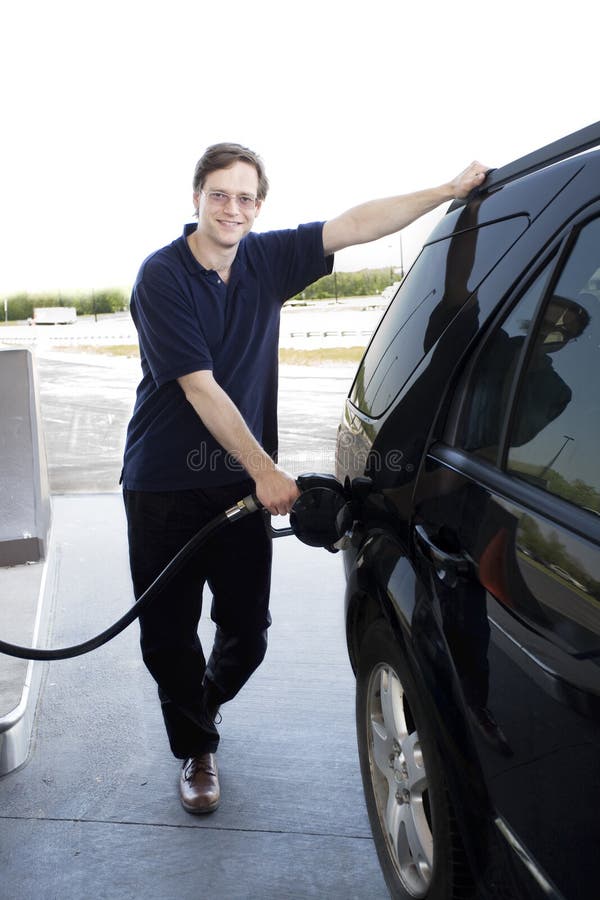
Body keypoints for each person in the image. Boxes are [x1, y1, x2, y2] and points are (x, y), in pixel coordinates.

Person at [121, 142, 488, 814]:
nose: (232, 208)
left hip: (239, 487)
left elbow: (354, 224)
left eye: (246, 197)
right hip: (163, 484)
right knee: (167, 634)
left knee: (247, 633)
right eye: (219, 194)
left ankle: (197, 708)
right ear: (196, 197)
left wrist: (444, 192)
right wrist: (264, 468)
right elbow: (200, 388)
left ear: (259, 206)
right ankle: (197, 749)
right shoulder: (162, 276)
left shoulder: (266, 259)